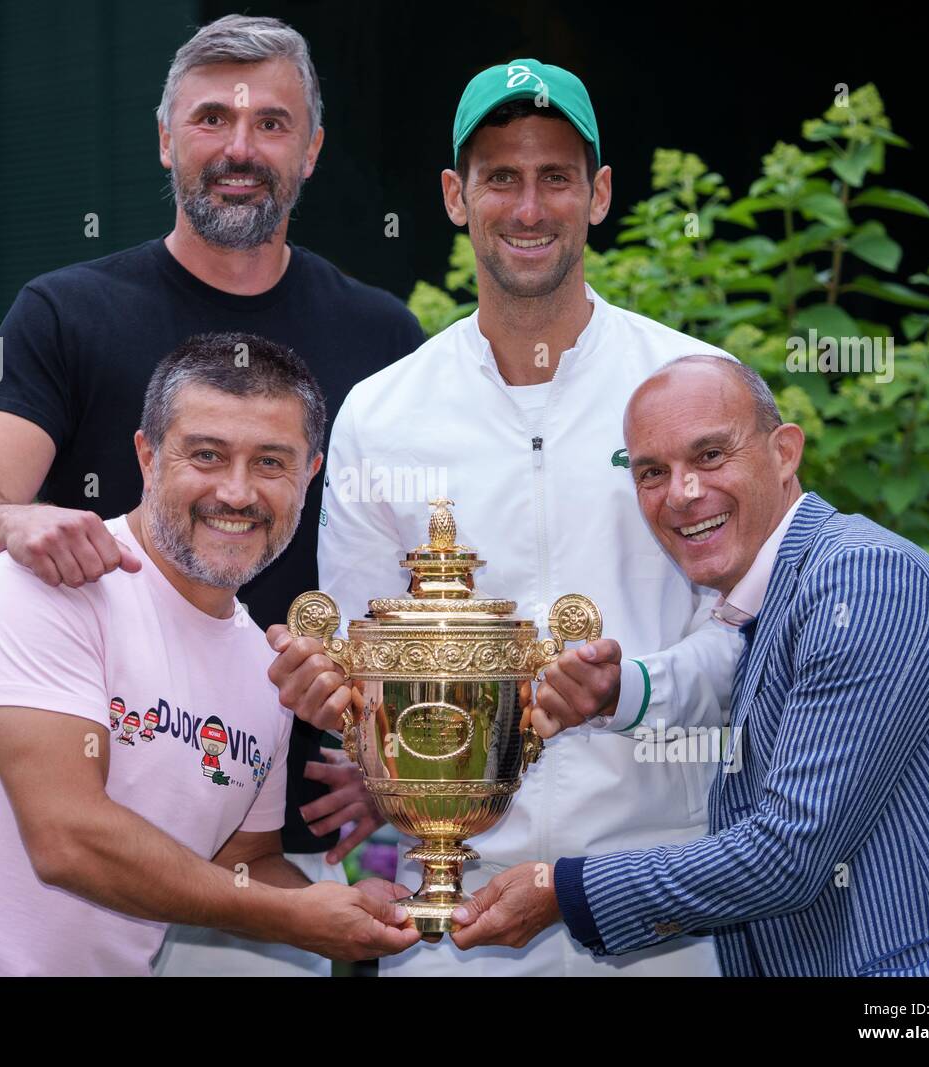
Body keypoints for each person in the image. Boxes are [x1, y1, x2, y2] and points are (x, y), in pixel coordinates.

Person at [0, 14, 424, 976]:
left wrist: (399, 761)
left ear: (313, 150)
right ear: (165, 138)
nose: (240, 148)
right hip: (78, 810)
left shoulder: (383, 337)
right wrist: (15, 520)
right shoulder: (66, 312)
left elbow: (410, 571)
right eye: (210, 119)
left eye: (273, 123)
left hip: (267, 833)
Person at [267, 59, 743, 977]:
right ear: (456, 195)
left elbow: (752, 631)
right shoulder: (382, 411)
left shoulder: (692, 385)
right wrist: (329, 693)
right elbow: (362, 664)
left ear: (599, 194)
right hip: (460, 913)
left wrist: (627, 685)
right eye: (501, 178)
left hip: (662, 904)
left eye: (556, 177)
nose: (529, 207)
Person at [453, 355, 929, 976]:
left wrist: (562, 892)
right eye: (653, 471)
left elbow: (787, 855)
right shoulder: (779, 595)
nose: (682, 494)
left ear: (785, 452)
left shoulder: (862, 579)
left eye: (710, 456)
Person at [0, 334, 420, 977]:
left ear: (309, 474)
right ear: (147, 458)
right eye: (207, 455)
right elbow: (68, 838)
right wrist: (298, 921)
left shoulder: (264, 670)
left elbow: (244, 865)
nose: (237, 493)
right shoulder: (51, 583)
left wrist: (347, 905)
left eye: (270, 463)